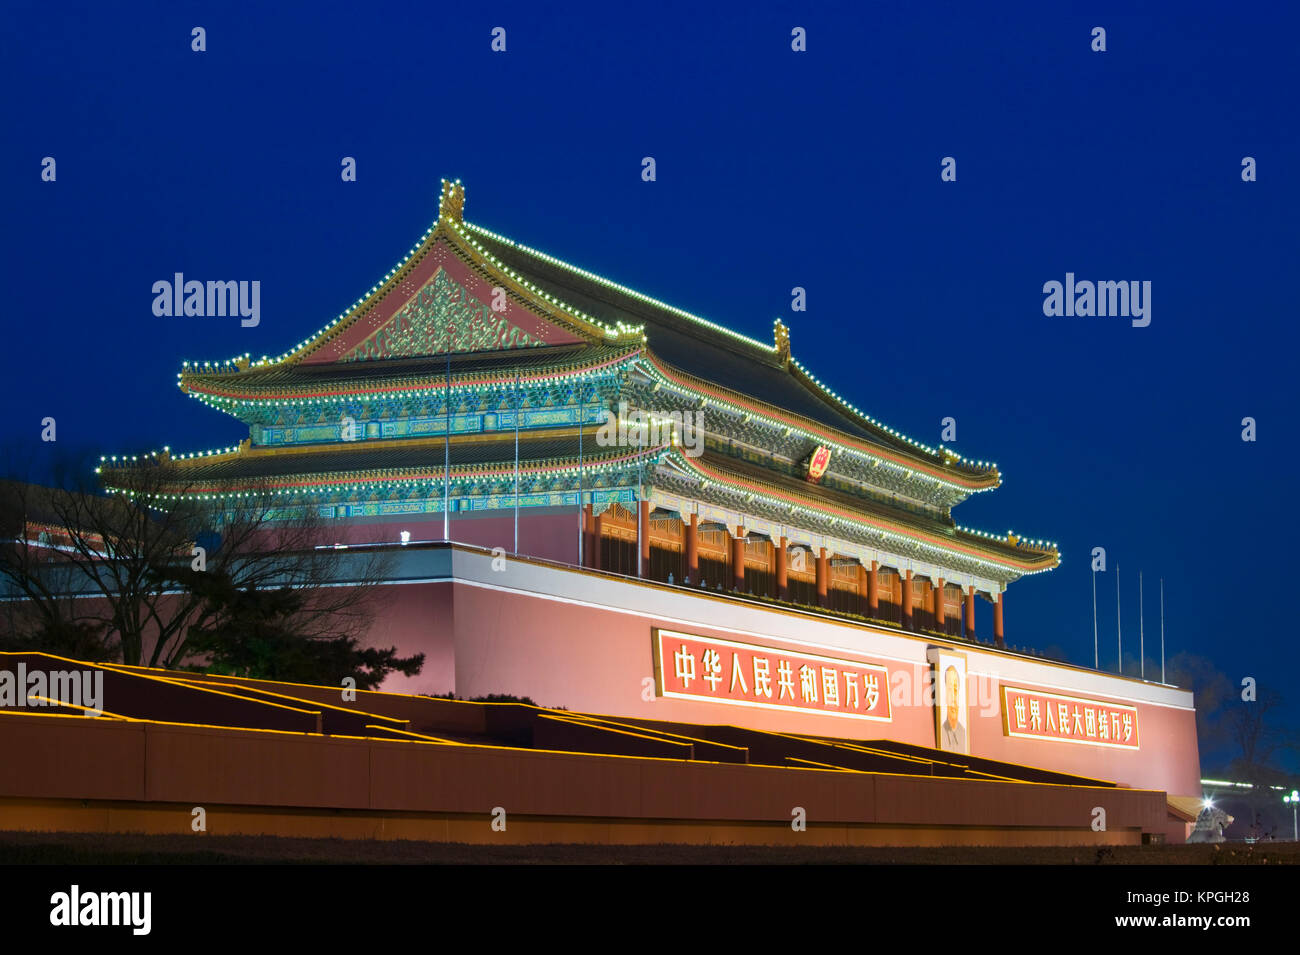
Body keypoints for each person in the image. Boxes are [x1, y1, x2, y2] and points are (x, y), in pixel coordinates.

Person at [940, 664, 966, 751]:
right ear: (945, 695)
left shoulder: (963, 732)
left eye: (955, 690)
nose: (953, 698)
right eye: (950, 689)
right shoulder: (941, 732)